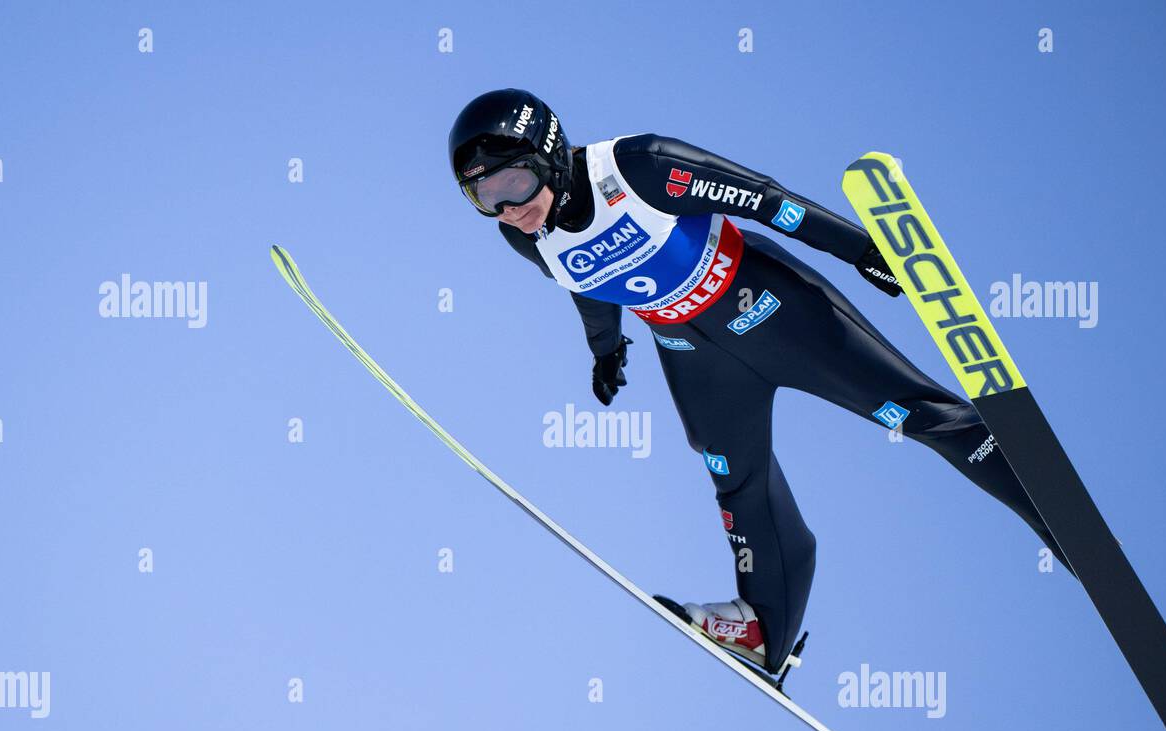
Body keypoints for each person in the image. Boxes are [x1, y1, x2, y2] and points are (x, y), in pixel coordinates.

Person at [448, 88, 1069, 675]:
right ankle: (764, 631)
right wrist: (605, 351)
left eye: (514, 183)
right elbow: (583, 285)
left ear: (550, 154)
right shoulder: (522, 235)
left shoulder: (640, 167)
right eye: (486, 200)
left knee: (917, 415)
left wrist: (860, 249)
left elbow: (768, 201)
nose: (508, 207)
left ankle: (1056, 517)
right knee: (738, 483)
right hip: (691, 351)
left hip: (771, 309)